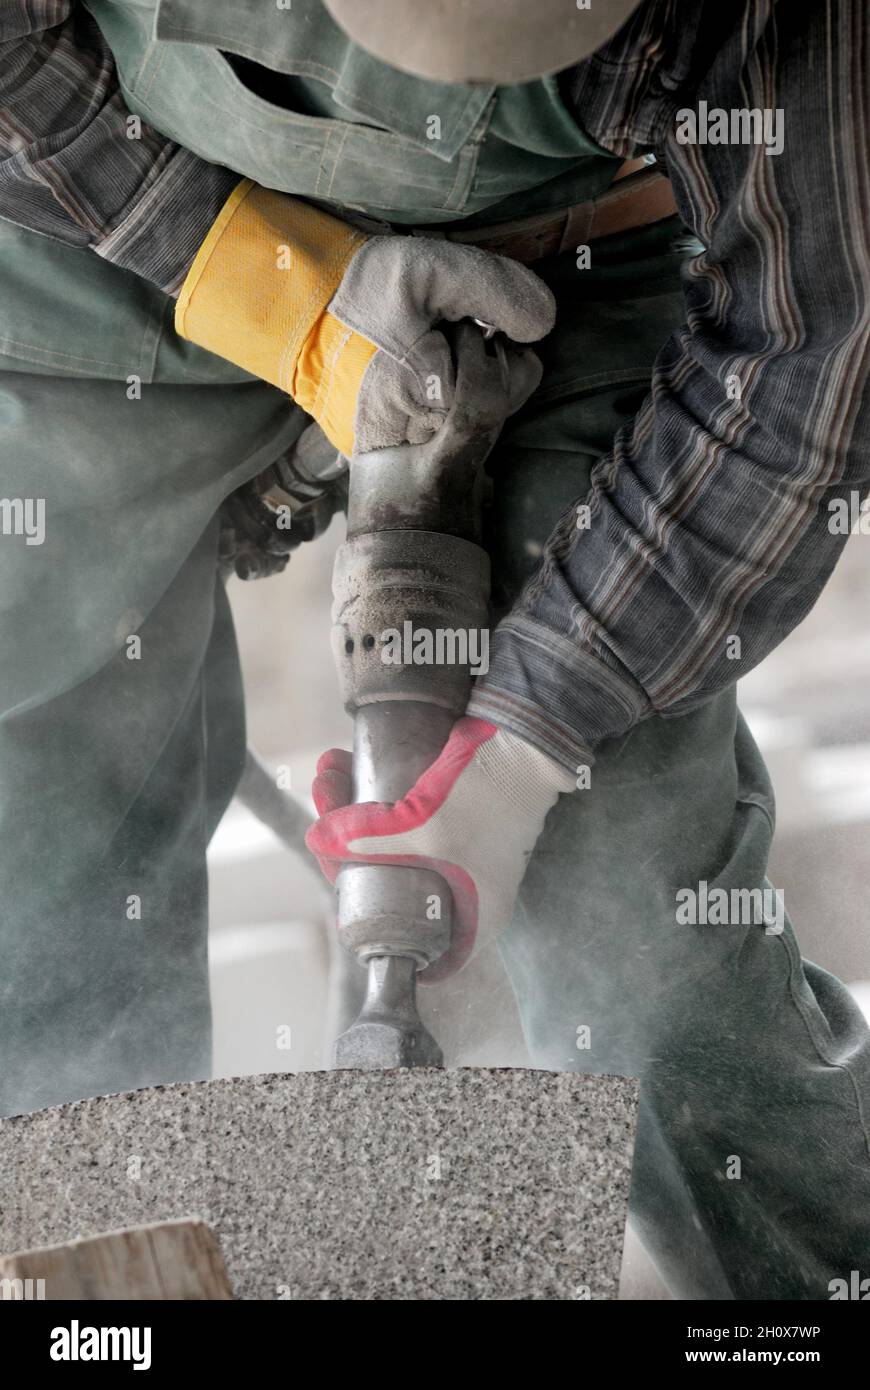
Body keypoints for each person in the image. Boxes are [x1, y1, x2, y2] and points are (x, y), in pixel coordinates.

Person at [1, 0, 868, 1298]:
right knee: (46, 873)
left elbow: (808, 369)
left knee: (635, 940)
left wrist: (519, 757)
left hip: (553, 265)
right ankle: (115, 1317)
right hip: (97, 239)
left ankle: (810, 1301)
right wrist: (274, 289)